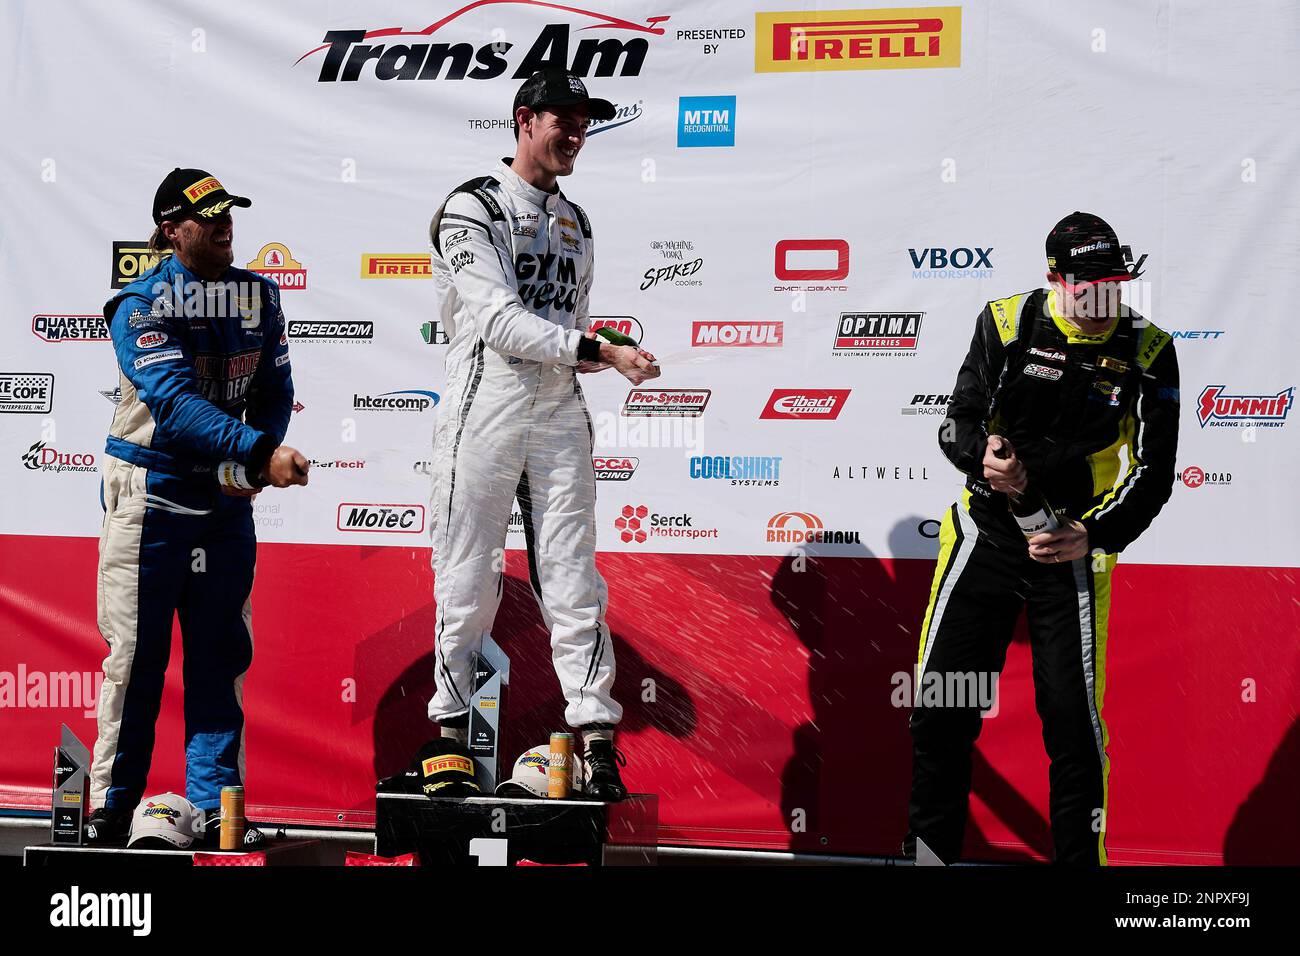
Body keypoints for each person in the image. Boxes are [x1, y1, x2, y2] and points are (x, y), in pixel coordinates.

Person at [906, 212, 1180, 865]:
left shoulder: (1150, 348)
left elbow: (1156, 474)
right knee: (944, 709)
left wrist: (1094, 533)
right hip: (987, 537)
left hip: (1074, 550)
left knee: (1072, 728)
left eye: (1115, 285)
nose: (1102, 303)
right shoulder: (1008, 322)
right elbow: (956, 425)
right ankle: (929, 861)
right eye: (1087, 289)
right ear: (1055, 280)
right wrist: (985, 459)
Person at [425, 70, 660, 801]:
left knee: (574, 577)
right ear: (525, 119)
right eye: (565, 120)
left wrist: (606, 345)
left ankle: (595, 741)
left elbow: (564, 326)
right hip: (484, 401)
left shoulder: (577, 221)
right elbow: (497, 320)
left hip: (558, 407)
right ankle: (451, 737)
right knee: (467, 572)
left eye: (586, 122)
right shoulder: (472, 206)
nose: (578, 133)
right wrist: (601, 349)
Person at [86, 168, 309, 846]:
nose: (223, 224)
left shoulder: (259, 297)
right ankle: (110, 814)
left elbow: (275, 388)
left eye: (228, 213)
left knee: (220, 658)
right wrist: (255, 454)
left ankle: (218, 814)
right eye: (206, 216)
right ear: (169, 229)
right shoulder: (139, 304)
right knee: (136, 665)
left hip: (220, 503)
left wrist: (252, 456)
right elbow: (177, 409)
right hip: (149, 498)